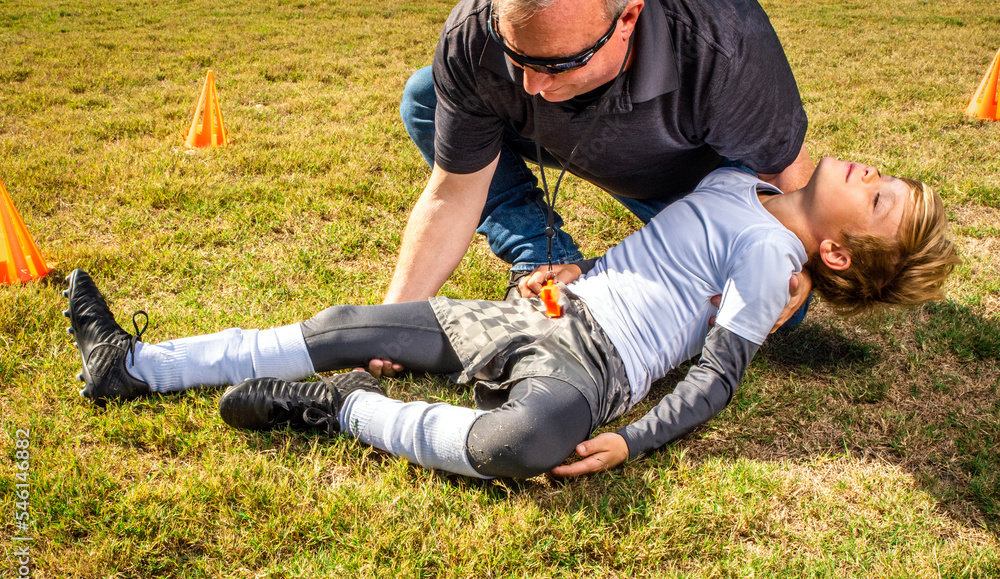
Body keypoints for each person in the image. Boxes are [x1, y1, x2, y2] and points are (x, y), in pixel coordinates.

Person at [64, 158, 957, 479]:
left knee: (519, 445)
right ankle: (133, 365)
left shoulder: (774, 261)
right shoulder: (741, 178)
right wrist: (569, 270)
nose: (868, 171)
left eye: (876, 197)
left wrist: (634, 439)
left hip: (591, 371)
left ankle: (331, 409)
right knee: (353, 322)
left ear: (836, 254)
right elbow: (657, 260)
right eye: (882, 177)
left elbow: (719, 373)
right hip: (543, 312)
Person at [370, 0, 816, 377]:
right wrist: (385, 325)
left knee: (785, 309)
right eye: (515, 55)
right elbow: (454, 193)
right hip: (568, 140)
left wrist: (803, 268)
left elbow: (785, 173)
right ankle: (542, 259)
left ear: (628, 19)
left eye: (557, 64)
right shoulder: (475, 31)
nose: (531, 85)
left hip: (703, 187)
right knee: (427, 94)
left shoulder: (723, 39)